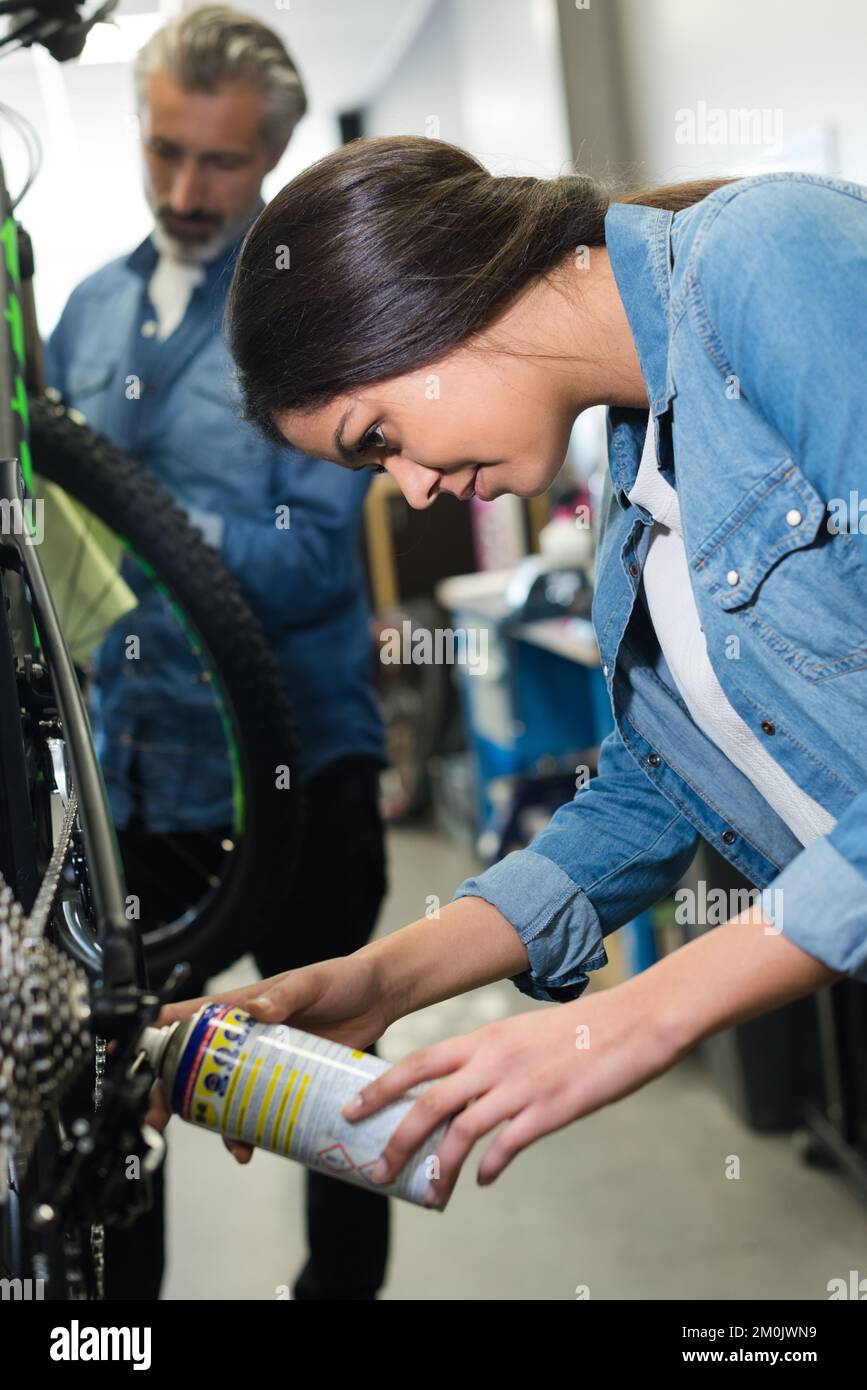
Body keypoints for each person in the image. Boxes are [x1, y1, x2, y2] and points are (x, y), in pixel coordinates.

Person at [153, 138, 867, 1214]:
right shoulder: (644, 480)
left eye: (379, 436)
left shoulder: (770, 258)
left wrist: (639, 1014)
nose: (414, 489)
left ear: (426, 296)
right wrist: (379, 980)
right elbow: (647, 797)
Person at [46, 8, 390, 1299]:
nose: (187, 190)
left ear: (275, 162)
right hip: (133, 787)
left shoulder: (319, 319)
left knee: (330, 1099)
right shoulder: (80, 311)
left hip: (297, 770)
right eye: (165, 151)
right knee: (115, 1098)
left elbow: (309, 564)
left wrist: (151, 522)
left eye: (222, 164)